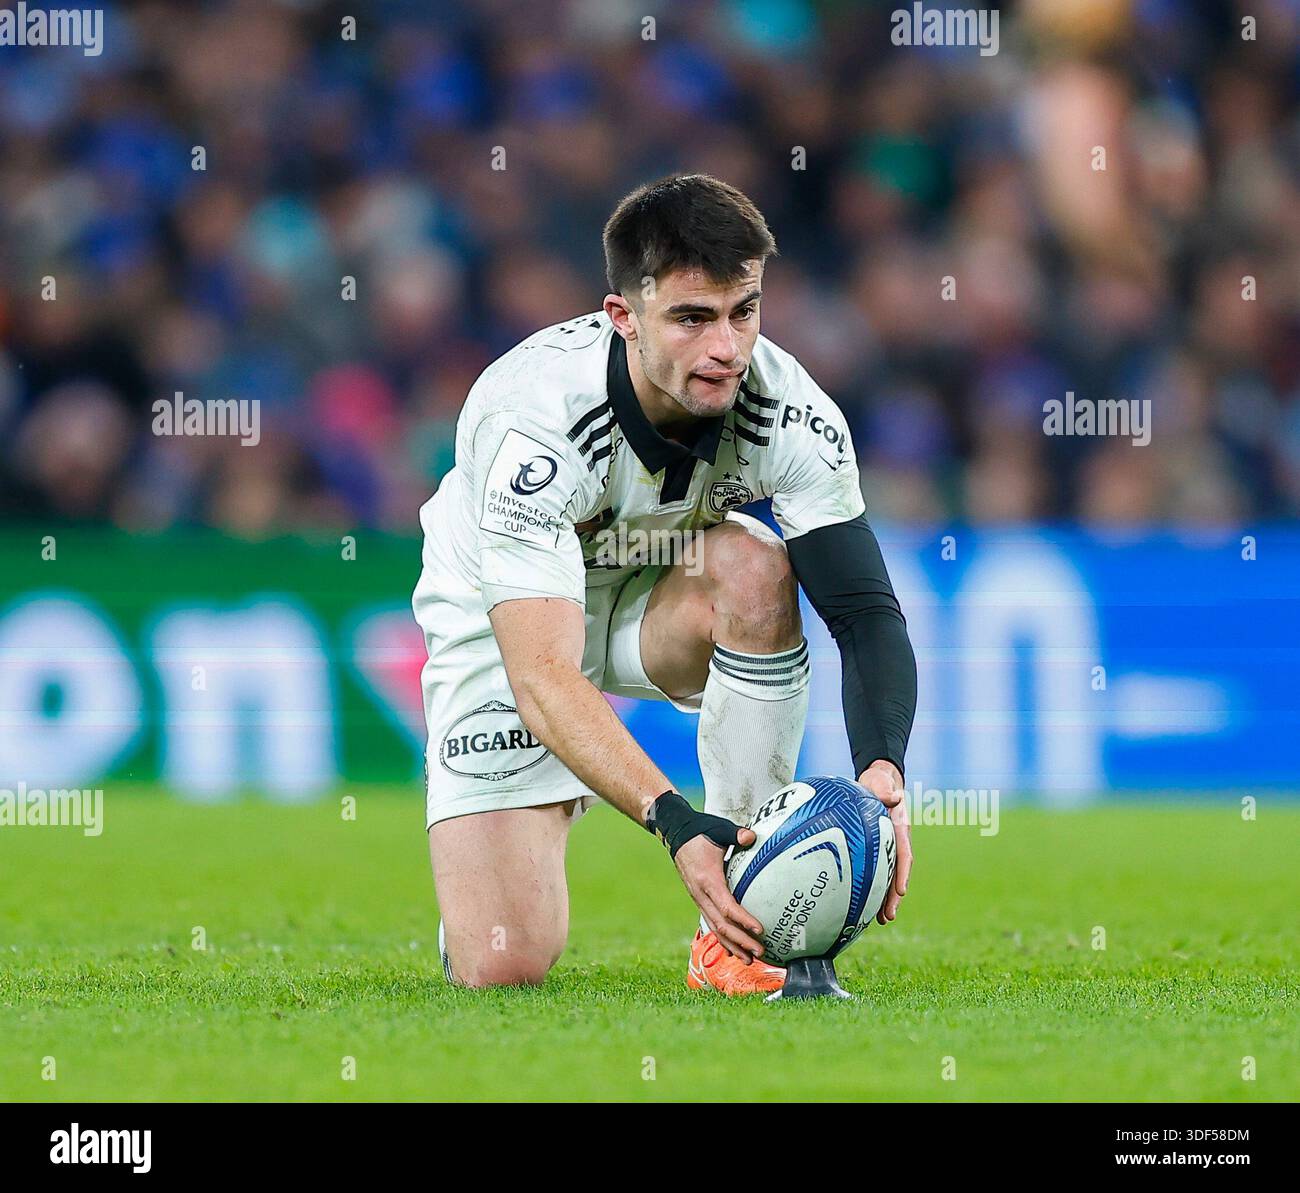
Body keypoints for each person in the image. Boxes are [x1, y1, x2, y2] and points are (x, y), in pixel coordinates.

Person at [413, 174, 917, 994]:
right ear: (624, 317)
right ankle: (507, 842)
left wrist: (884, 775)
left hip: (655, 599)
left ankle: (740, 929)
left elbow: (863, 615)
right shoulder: (533, 421)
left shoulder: (788, 413)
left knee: (755, 564)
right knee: (504, 964)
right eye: (692, 317)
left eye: (743, 311)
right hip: (508, 624)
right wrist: (673, 818)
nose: (727, 347)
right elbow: (542, 675)